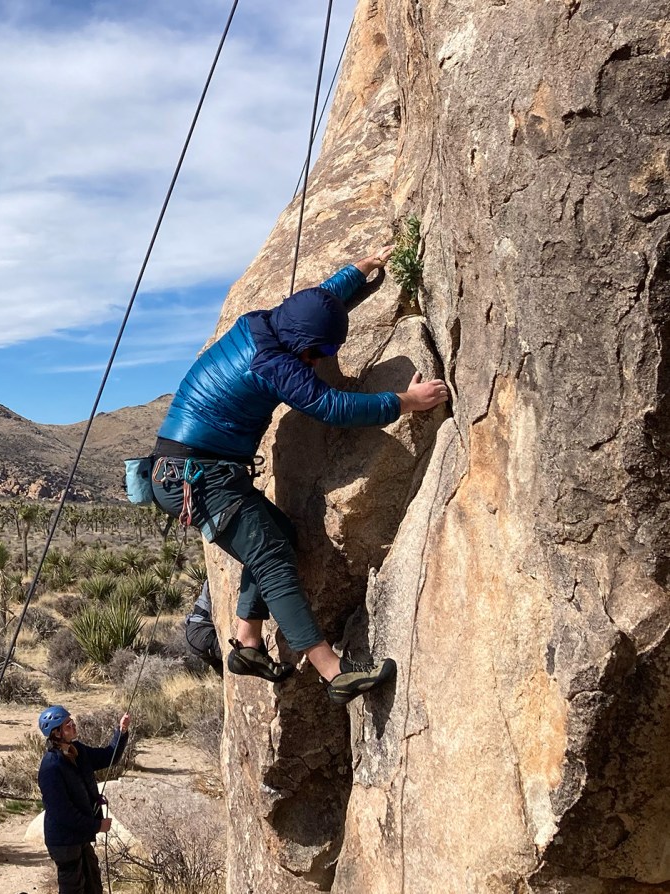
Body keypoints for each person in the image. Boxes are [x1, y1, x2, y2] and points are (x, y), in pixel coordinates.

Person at [151, 246, 450, 705]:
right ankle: (333, 672)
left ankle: (248, 643)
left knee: (280, 536)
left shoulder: (262, 323)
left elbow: (315, 304)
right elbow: (333, 406)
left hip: (195, 471)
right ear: (297, 348)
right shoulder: (274, 364)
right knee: (270, 555)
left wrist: (360, 269)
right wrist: (404, 402)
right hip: (195, 478)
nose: (314, 362)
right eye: (314, 355)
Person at [36, 705, 131, 894]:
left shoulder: (77, 751)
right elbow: (64, 814)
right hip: (64, 841)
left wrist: (121, 732)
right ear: (56, 733)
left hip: (80, 836)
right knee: (73, 889)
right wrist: (97, 826)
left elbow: (108, 757)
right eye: (68, 724)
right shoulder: (51, 768)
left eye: (72, 722)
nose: (73, 726)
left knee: (93, 885)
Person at [183, 580, 223, 675]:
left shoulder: (204, 602)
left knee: (221, 665)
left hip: (195, 638)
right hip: (199, 634)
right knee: (233, 653)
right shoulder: (209, 589)